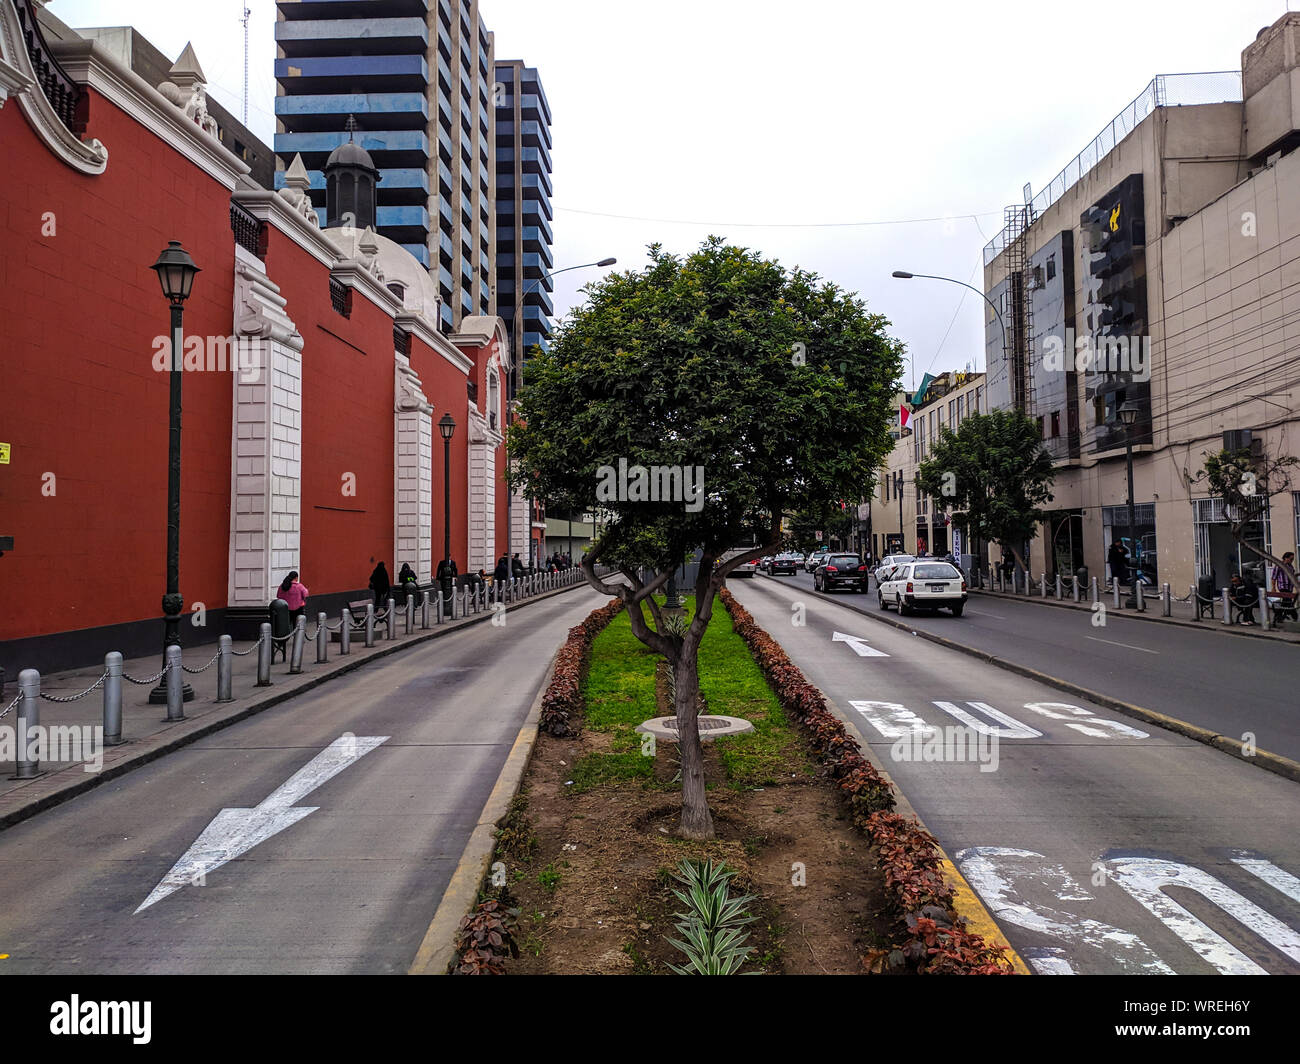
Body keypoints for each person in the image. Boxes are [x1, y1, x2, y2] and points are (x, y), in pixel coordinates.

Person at [1270, 552, 1296, 627]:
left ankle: (1278, 617)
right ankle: (1294, 616)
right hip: (1283, 586)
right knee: (1288, 602)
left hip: (1289, 587)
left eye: (1293, 559)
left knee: (1285, 603)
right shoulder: (1279, 565)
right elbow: (1274, 577)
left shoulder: (1290, 566)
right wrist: (1273, 587)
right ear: (1286, 558)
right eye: (1291, 559)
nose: (1292, 560)